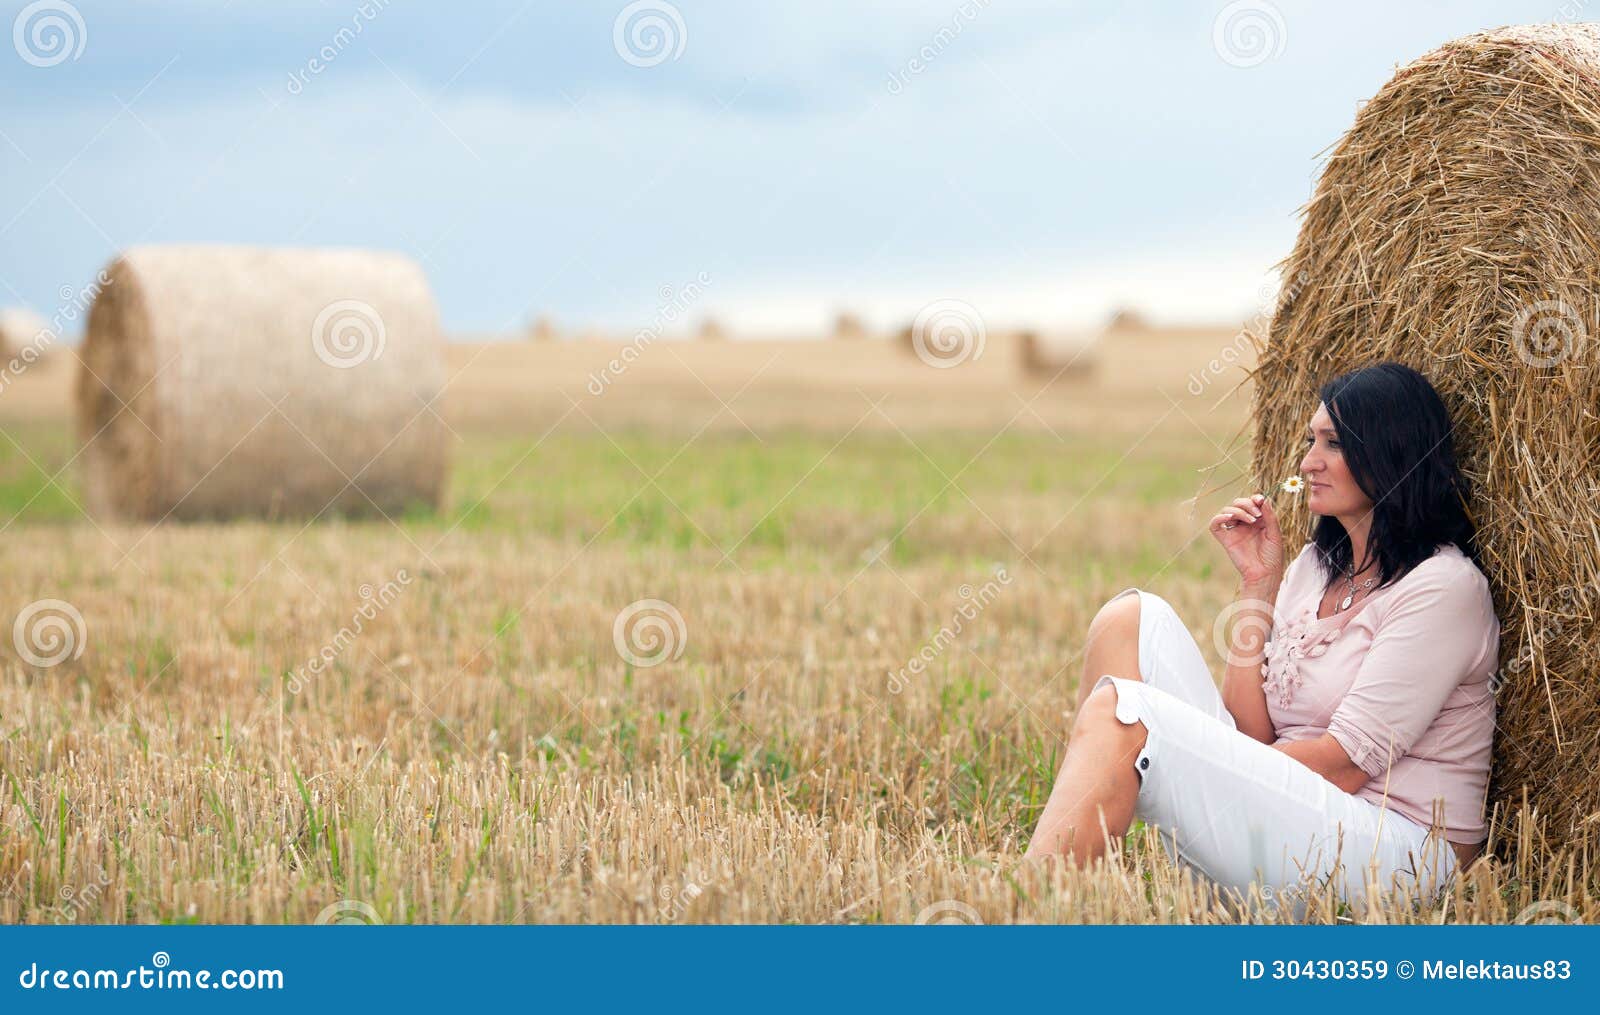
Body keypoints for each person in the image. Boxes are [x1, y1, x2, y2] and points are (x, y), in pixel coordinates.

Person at [1022, 361, 1500, 918]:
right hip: (1300, 815)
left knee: (1125, 714)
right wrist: (1257, 585)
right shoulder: (1314, 567)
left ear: (1391, 453)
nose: (1307, 462)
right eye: (1310, 440)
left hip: (1393, 854)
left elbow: (1345, 765)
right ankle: (1072, 867)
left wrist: (1216, 763)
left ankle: (1026, 923)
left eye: (1333, 444)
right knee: (1127, 618)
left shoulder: (1442, 588)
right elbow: (1249, 728)